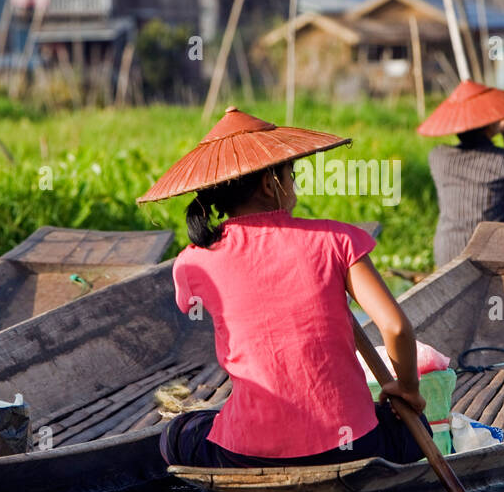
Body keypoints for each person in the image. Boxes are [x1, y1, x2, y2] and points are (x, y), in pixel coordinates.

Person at [139, 107, 430, 469]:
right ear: (269, 184)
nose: (293, 183)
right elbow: (396, 327)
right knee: (416, 431)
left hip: (246, 452)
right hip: (353, 444)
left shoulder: (192, 261)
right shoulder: (337, 238)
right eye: (290, 174)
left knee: (177, 433)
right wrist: (407, 391)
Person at [418, 80, 504, 267]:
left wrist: (492, 129)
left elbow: (475, 140)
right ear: (489, 126)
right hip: (491, 258)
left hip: (447, 256)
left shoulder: (438, 158)